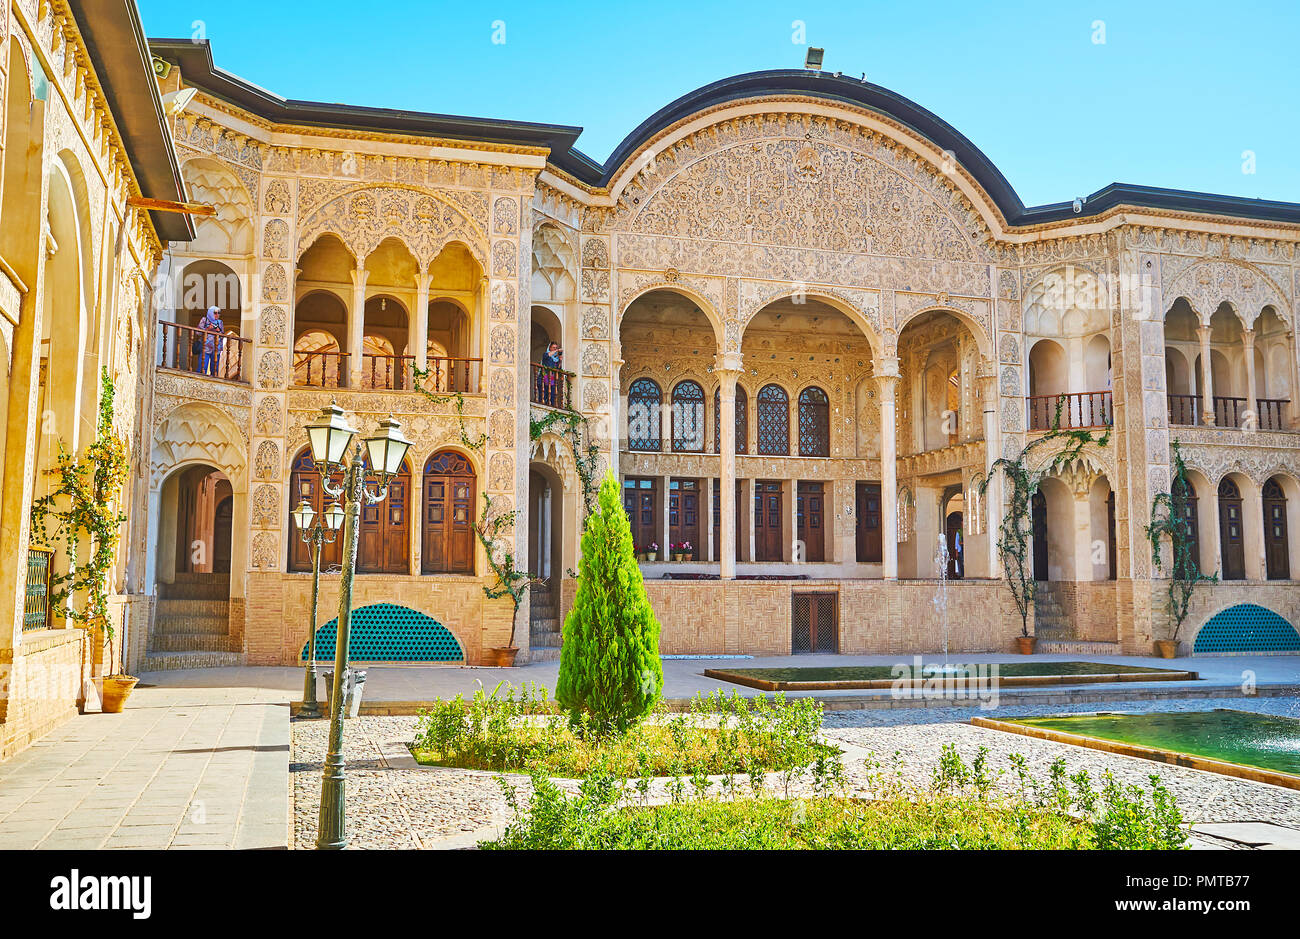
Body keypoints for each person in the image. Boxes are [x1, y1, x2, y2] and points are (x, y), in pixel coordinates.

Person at [198, 306, 224, 377]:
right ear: (210, 313)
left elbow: (222, 335)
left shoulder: (220, 322)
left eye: (219, 313)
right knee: (202, 367)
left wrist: (219, 331)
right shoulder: (204, 320)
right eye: (215, 313)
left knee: (215, 369)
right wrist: (208, 329)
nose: (217, 315)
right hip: (205, 347)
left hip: (216, 349)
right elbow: (198, 333)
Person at [538, 341, 562, 406]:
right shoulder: (546, 354)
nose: (555, 349)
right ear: (549, 348)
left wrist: (560, 360)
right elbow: (548, 355)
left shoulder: (556, 359)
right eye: (553, 347)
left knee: (552, 395)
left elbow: (558, 368)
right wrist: (557, 350)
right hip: (543, 378)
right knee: (543, 395)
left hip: (551, 380)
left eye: (556, 347)